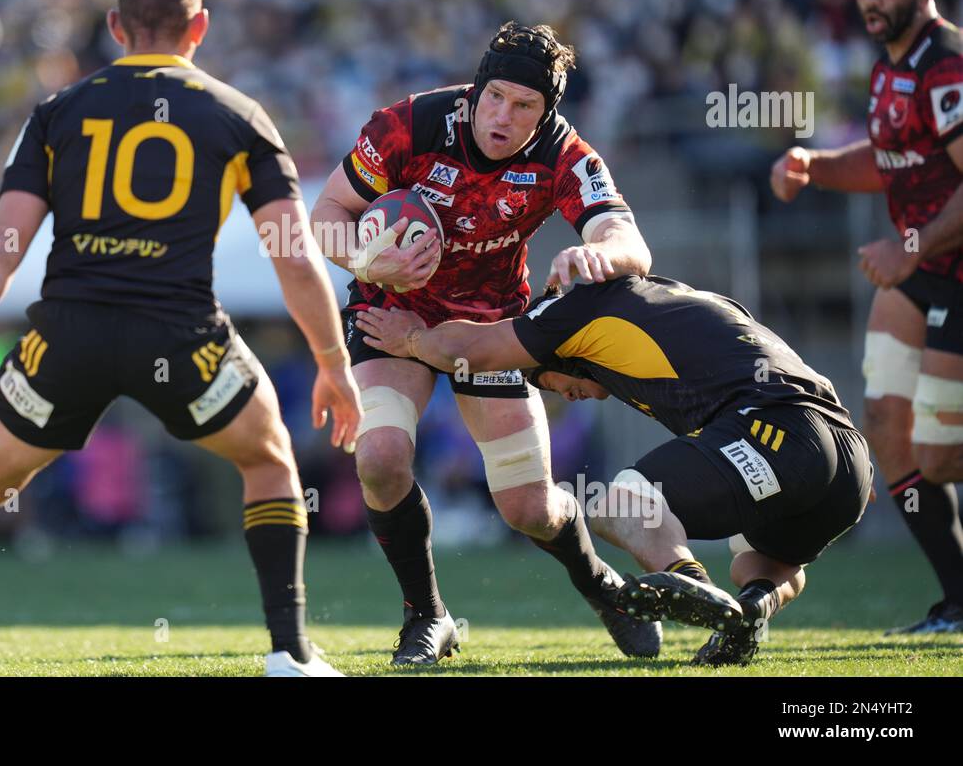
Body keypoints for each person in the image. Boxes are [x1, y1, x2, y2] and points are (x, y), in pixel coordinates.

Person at [0, 0, 361, 677]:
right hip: (182, 337)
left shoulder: (59, 112)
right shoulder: (240, 116)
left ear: (115, 26)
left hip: (67, 339)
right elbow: (293, 255)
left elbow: (3, 242)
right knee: (269, 462)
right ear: (199, 26)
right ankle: (291, 653)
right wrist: (333, 362)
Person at [310, 21, 658, 663]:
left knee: (528, 506)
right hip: (392, 310)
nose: (503, 115)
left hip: (489, 326)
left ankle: (603, 587)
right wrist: (363, 260)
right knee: (380, 458)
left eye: (524, 105)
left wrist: (599, 255)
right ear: (475, 90)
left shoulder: (563, 154)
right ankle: (427, 616)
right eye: (495, 96)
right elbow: (327, 212)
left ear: (545, 113)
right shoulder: (409, 126)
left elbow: (628, 239)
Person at [355, 274, 872, 665]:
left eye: (548, 382)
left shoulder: (567, 314)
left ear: (554, 353)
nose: (566, 394)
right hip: (847, 459)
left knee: (618, 505)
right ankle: (750, 610)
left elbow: (470, 348)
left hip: (775, 429)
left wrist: (413, 339)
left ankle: (687, 582)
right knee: (757, 566)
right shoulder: (662, 302)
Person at [770, 0, 963, 633]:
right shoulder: (889, 71)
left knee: (939, 453)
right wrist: (814, 166)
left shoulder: (947, 64)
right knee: (886, 427)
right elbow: (890, 161)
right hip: (921, 272)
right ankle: (957, 601)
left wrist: (909, 246)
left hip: (951, 270)